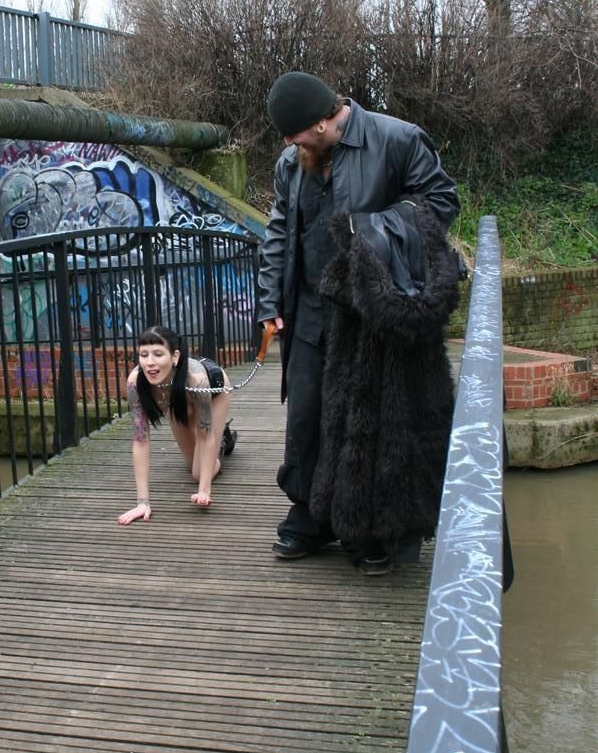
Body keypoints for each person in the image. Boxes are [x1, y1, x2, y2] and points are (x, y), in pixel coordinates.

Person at [257, 72, 460, 574]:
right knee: (306, 415)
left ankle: (360, 527)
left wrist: (371, 228)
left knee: (362, 420)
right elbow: (280, 230)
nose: (288, 144)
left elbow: (440, 204)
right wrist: (270, 301)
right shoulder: (292, 161)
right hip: (307, 310)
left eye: (296, 132)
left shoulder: (399, 139)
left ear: (326, 120)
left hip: (370, 315)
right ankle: (308, 513)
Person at [117, 325, 237, 524]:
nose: (150, 363)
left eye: (158, 354)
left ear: (174, 356)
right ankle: (219, 437)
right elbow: (140, 442)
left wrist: (204, 491)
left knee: (199, 473)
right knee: (191, 464)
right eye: (143, 355)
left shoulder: (196, 380)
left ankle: (222, 439)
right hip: (174, 400)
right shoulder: (135, 382)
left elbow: (205, 436)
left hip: (214, 392)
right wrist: (142, 502)